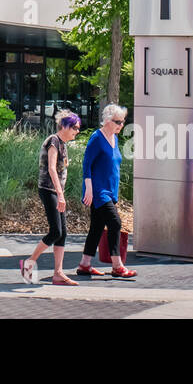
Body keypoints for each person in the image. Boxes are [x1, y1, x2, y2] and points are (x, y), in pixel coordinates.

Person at [21, 111, 82, 286]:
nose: (77, 131)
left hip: (55, 191)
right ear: (64, 126)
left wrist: (61, 193)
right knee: (56, 231)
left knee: (62, 233)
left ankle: (58, 273)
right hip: (49, 190)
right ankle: (29, 263)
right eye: (75, 128)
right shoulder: (53, 141)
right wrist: (60, 195)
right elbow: (52, 169)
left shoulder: (62, 143)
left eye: (78, 128)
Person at [78, 104, 135, 278]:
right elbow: (86, 164)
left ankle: (85, 264)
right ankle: (117, 266)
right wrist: (88, 188)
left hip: (110, 191)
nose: (121, 125)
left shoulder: (114, 139)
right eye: (117, 122)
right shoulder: (97, 138)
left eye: (123, 122)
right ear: (107, 121)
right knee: (115, 222)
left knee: (96, 227)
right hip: (98, 191)